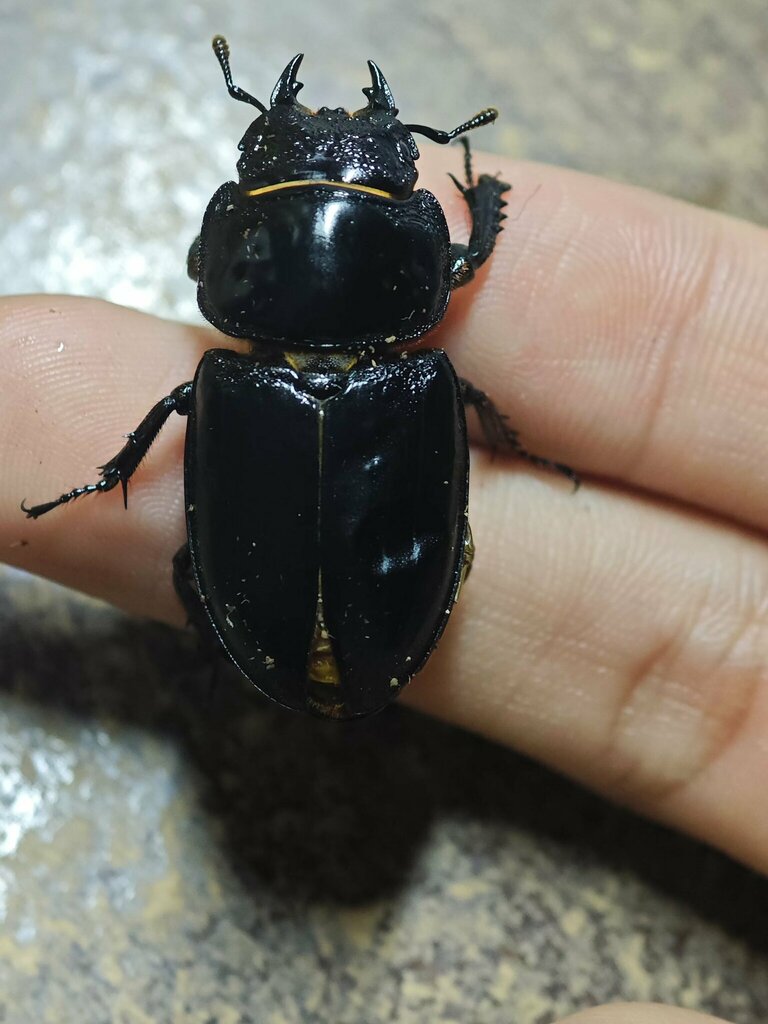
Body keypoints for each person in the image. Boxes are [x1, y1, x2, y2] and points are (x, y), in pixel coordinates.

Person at [1, 147, 764, 1024]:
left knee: (195, 496)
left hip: (279, 627)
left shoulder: (219, 384)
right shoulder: (428, 378)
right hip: (360, 624)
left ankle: (127, 517)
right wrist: (484, 201)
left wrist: (102, 489)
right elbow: (468, 266)